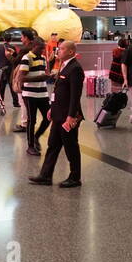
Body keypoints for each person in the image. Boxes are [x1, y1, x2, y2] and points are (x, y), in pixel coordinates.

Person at [28, 40, 84, 188]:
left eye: (62, 49)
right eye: (58, 48)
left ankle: (75, 177)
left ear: (71, 51)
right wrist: (52, 108)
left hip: (68, 116)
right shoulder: (64, 66)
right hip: (58, 114)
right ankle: (45, 175)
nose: (58, 51)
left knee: (71, 147)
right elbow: (58, 91)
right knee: (52, 145)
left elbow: (75, 96)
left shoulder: (75, 68)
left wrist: (71, 116)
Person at [15, 38, 51, 154]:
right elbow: (21, 78)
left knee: (48, 117)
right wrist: (39, 78)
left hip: (43, 93)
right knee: (32, 120)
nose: (42, 50)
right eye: (40, 48)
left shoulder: (43, 58)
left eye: (43, 48)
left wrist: (48, 76)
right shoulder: (27, 58)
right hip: (30, 94)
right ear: (34, 47)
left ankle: (36, 136)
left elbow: (43, 73)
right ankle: (30, 146)